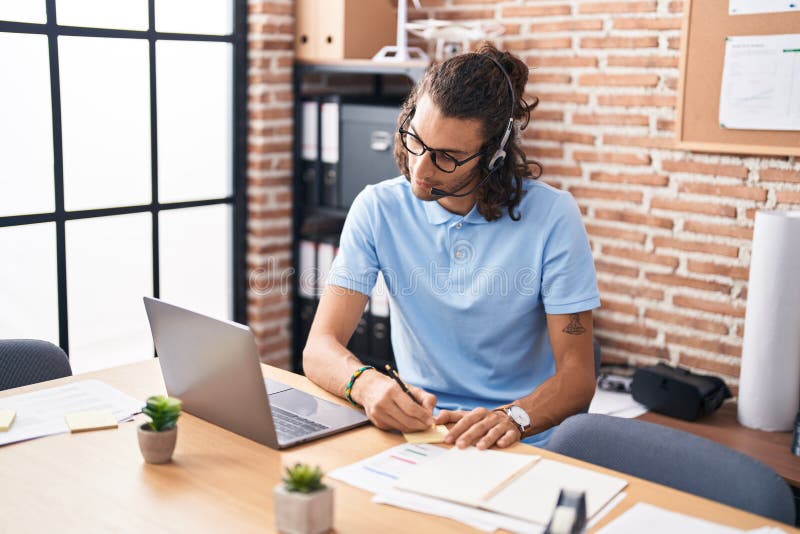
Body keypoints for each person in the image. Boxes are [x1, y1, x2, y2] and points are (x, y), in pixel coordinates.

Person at [302, 44, 598, 449]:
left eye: (448, 157)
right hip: (417, 430)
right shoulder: (377, 208)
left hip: (522, 433)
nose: (419, 169)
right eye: (416, 140)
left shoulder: (553, 216)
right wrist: (367, 385)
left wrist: (513, 417)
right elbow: (319, 347)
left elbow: (578, 377)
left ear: (493, 155)